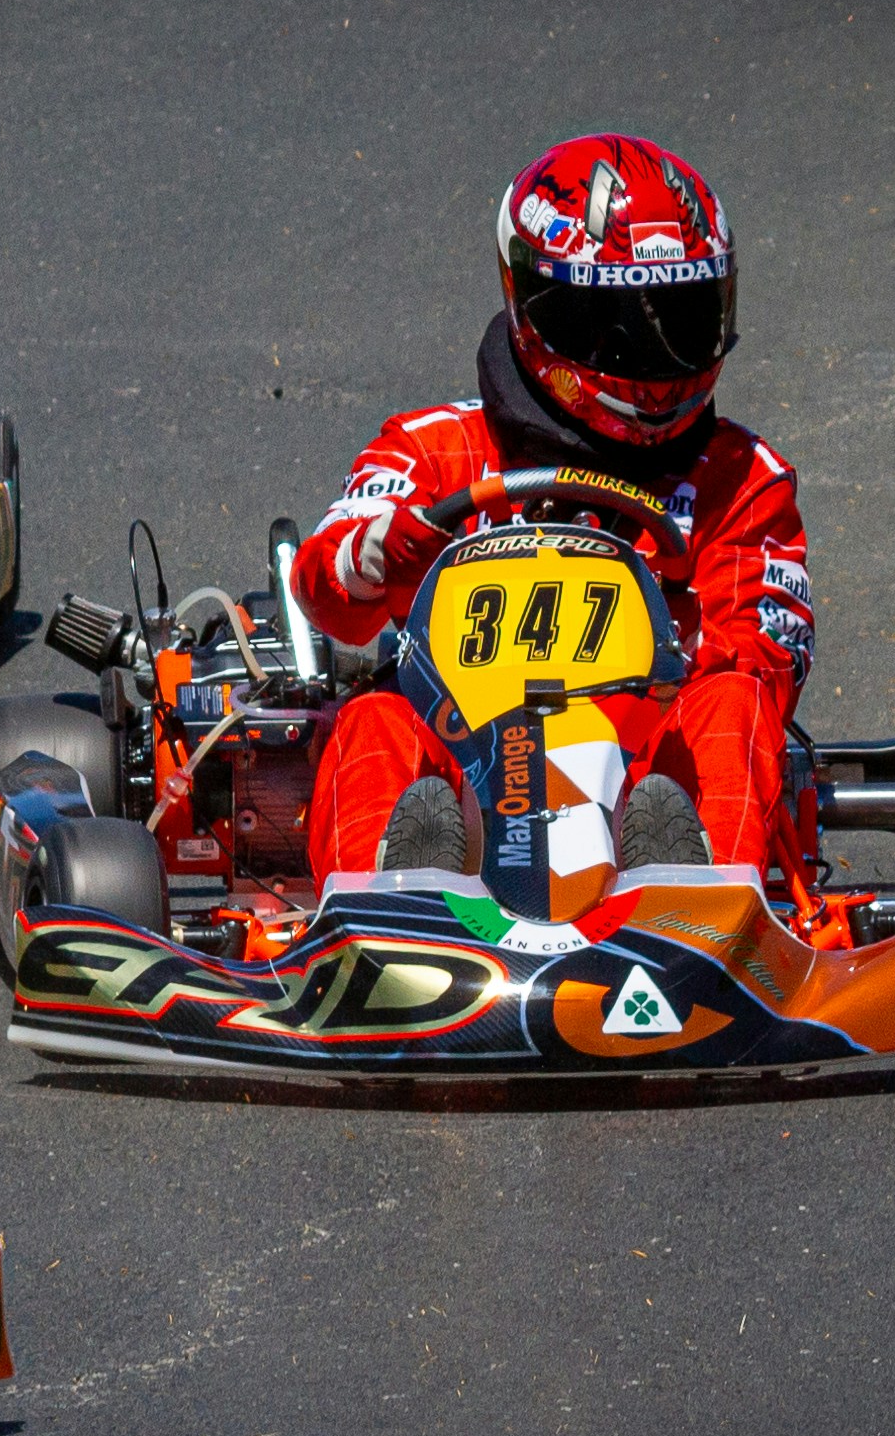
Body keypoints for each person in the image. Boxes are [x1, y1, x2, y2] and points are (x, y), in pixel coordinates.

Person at [293, 133, 815, 882]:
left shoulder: (738, 479)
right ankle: (389, 908)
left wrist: (665, 640)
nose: (656, 360)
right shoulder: (433, 450)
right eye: (619, 328)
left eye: (681, 318)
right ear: (535, 306)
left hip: (645, 771)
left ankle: (697, 903)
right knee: (374, 718)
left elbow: (765, 661)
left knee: (733, 704)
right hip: (463, 758)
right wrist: (374, 551)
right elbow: (328, 598)